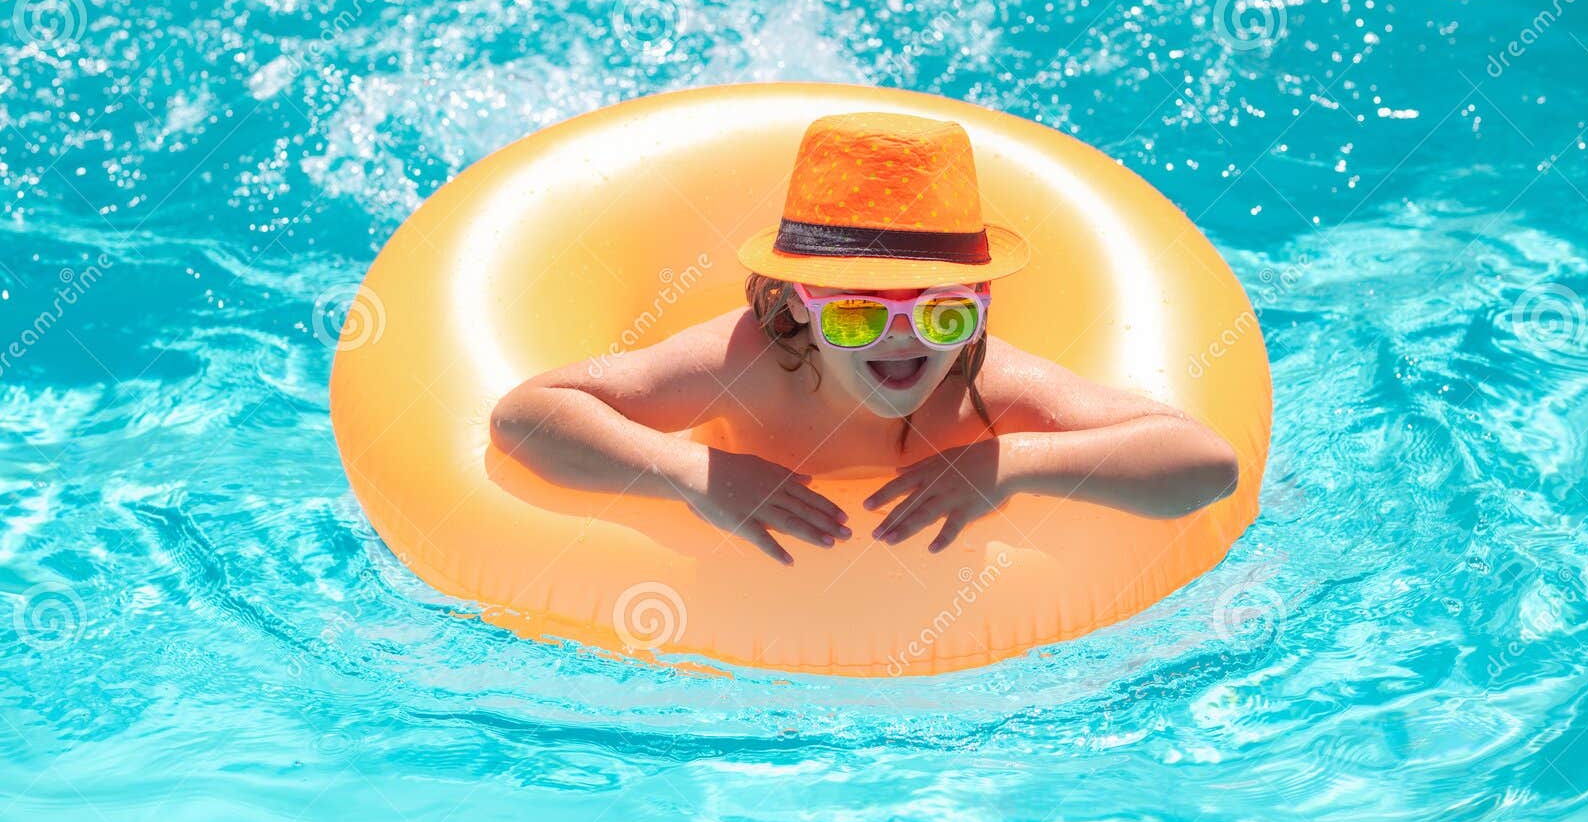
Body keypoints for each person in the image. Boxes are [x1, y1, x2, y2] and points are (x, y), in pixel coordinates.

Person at [492, 112, 1238, 565]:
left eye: (943, 313)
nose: (905, 342)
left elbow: (1205, 464)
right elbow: (529, 413)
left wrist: (1012, 463)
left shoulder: (983, 390)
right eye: (858, 315)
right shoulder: (746, 364)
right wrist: (689, 472)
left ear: (980, 304)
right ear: (798, 305)